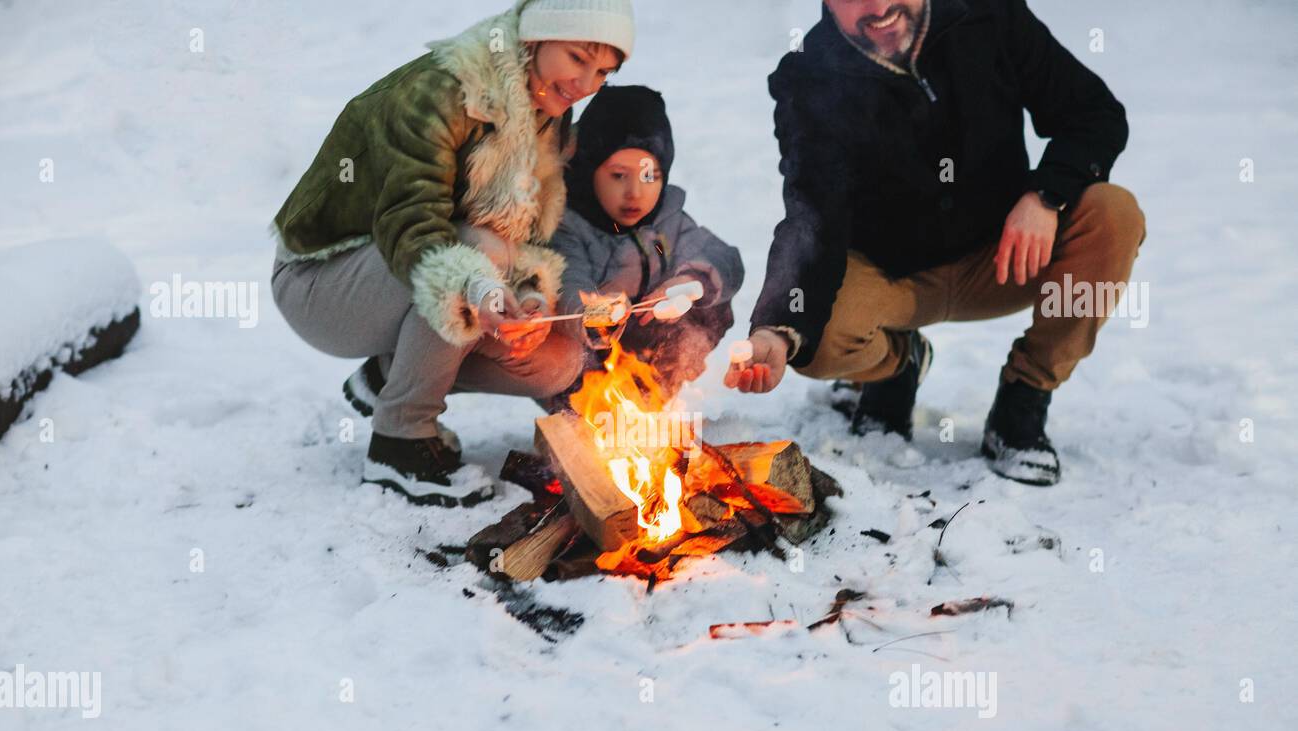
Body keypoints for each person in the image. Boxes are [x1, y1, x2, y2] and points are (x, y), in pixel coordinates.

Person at [727, 0, 1146, 486]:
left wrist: (1046, 196)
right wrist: (775, 329)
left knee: (1113, 214)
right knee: (814, 343)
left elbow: (1094, 113)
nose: (880, 7)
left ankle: (1023, 399)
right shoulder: (809, 78)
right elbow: (812, 219)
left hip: (1005, 256)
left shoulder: (991, 16)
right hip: (893, 278)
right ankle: (895, 369)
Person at [270, 0, 635, 506]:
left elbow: (522, 238)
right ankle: (400, 443)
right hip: (323, 282)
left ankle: (386, 379)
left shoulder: (547, 108)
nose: (586, 83)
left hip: (432, 274)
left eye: (603, 72)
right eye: (577, 58)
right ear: (535, 38)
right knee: (474, 249)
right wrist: (481, 286)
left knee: (556, 360)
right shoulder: (440, 92)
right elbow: (410, 224)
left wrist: (526, 300)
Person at [548, 85, 744, 401]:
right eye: (618, 176)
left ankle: (652, 396)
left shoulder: (669, 220)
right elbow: (567, 285)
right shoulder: (568, 224)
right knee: (567, 349)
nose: (635, 193)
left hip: (644, 349)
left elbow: (724, 258)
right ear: (589, 171)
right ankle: (587, 408)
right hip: (586, 359)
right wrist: (597, 311)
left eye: (649, 176)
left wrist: (687, 282)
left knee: (711, 299)